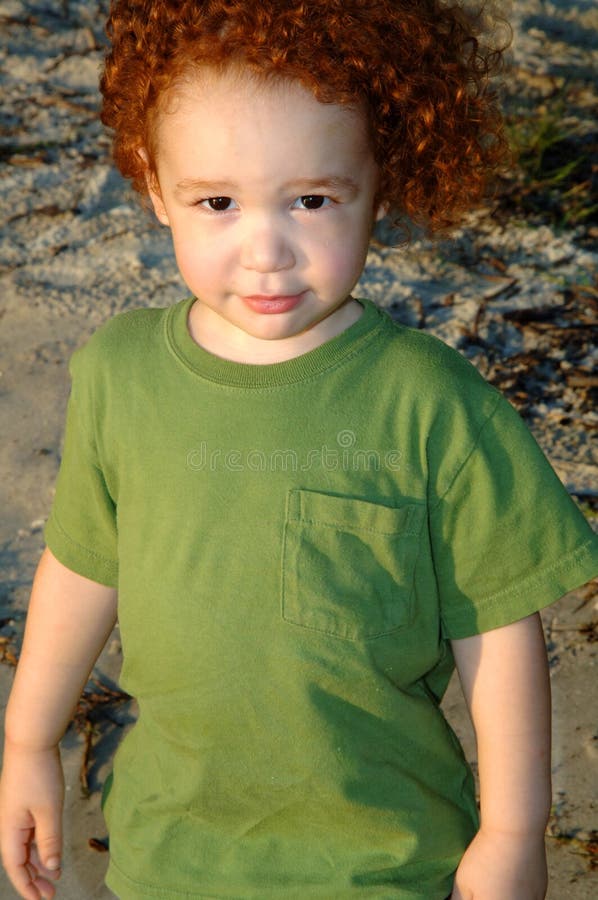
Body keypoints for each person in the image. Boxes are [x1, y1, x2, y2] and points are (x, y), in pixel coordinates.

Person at [1, 1, 597, 898]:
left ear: (377, 182)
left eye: (312, 200)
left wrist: (513, 831)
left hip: (383, 860)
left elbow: (498, 629)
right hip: (169, 853)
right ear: (154, 185)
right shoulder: (121, 374)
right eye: (218, 203)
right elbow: (83, 565)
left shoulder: (431, 403)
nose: (267, 251)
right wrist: (28, 742)